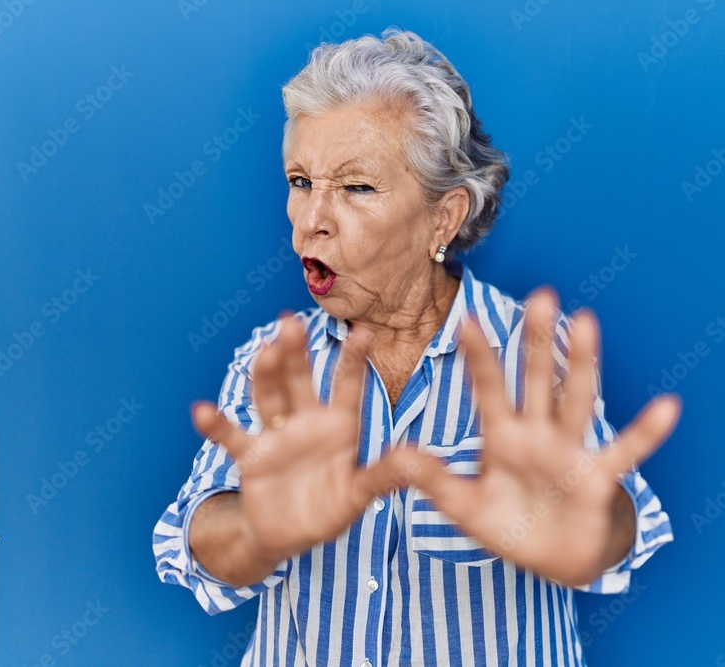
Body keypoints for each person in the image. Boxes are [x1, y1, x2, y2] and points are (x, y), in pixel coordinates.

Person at [153, 28, 680, 667]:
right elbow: (201, 539)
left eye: (356, 187)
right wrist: (258, 528)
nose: (310, 218)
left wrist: (578, 526)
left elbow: (608, 529)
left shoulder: (533, 352)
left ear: (443, 217)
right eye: (299, 179)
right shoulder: (275, 359)